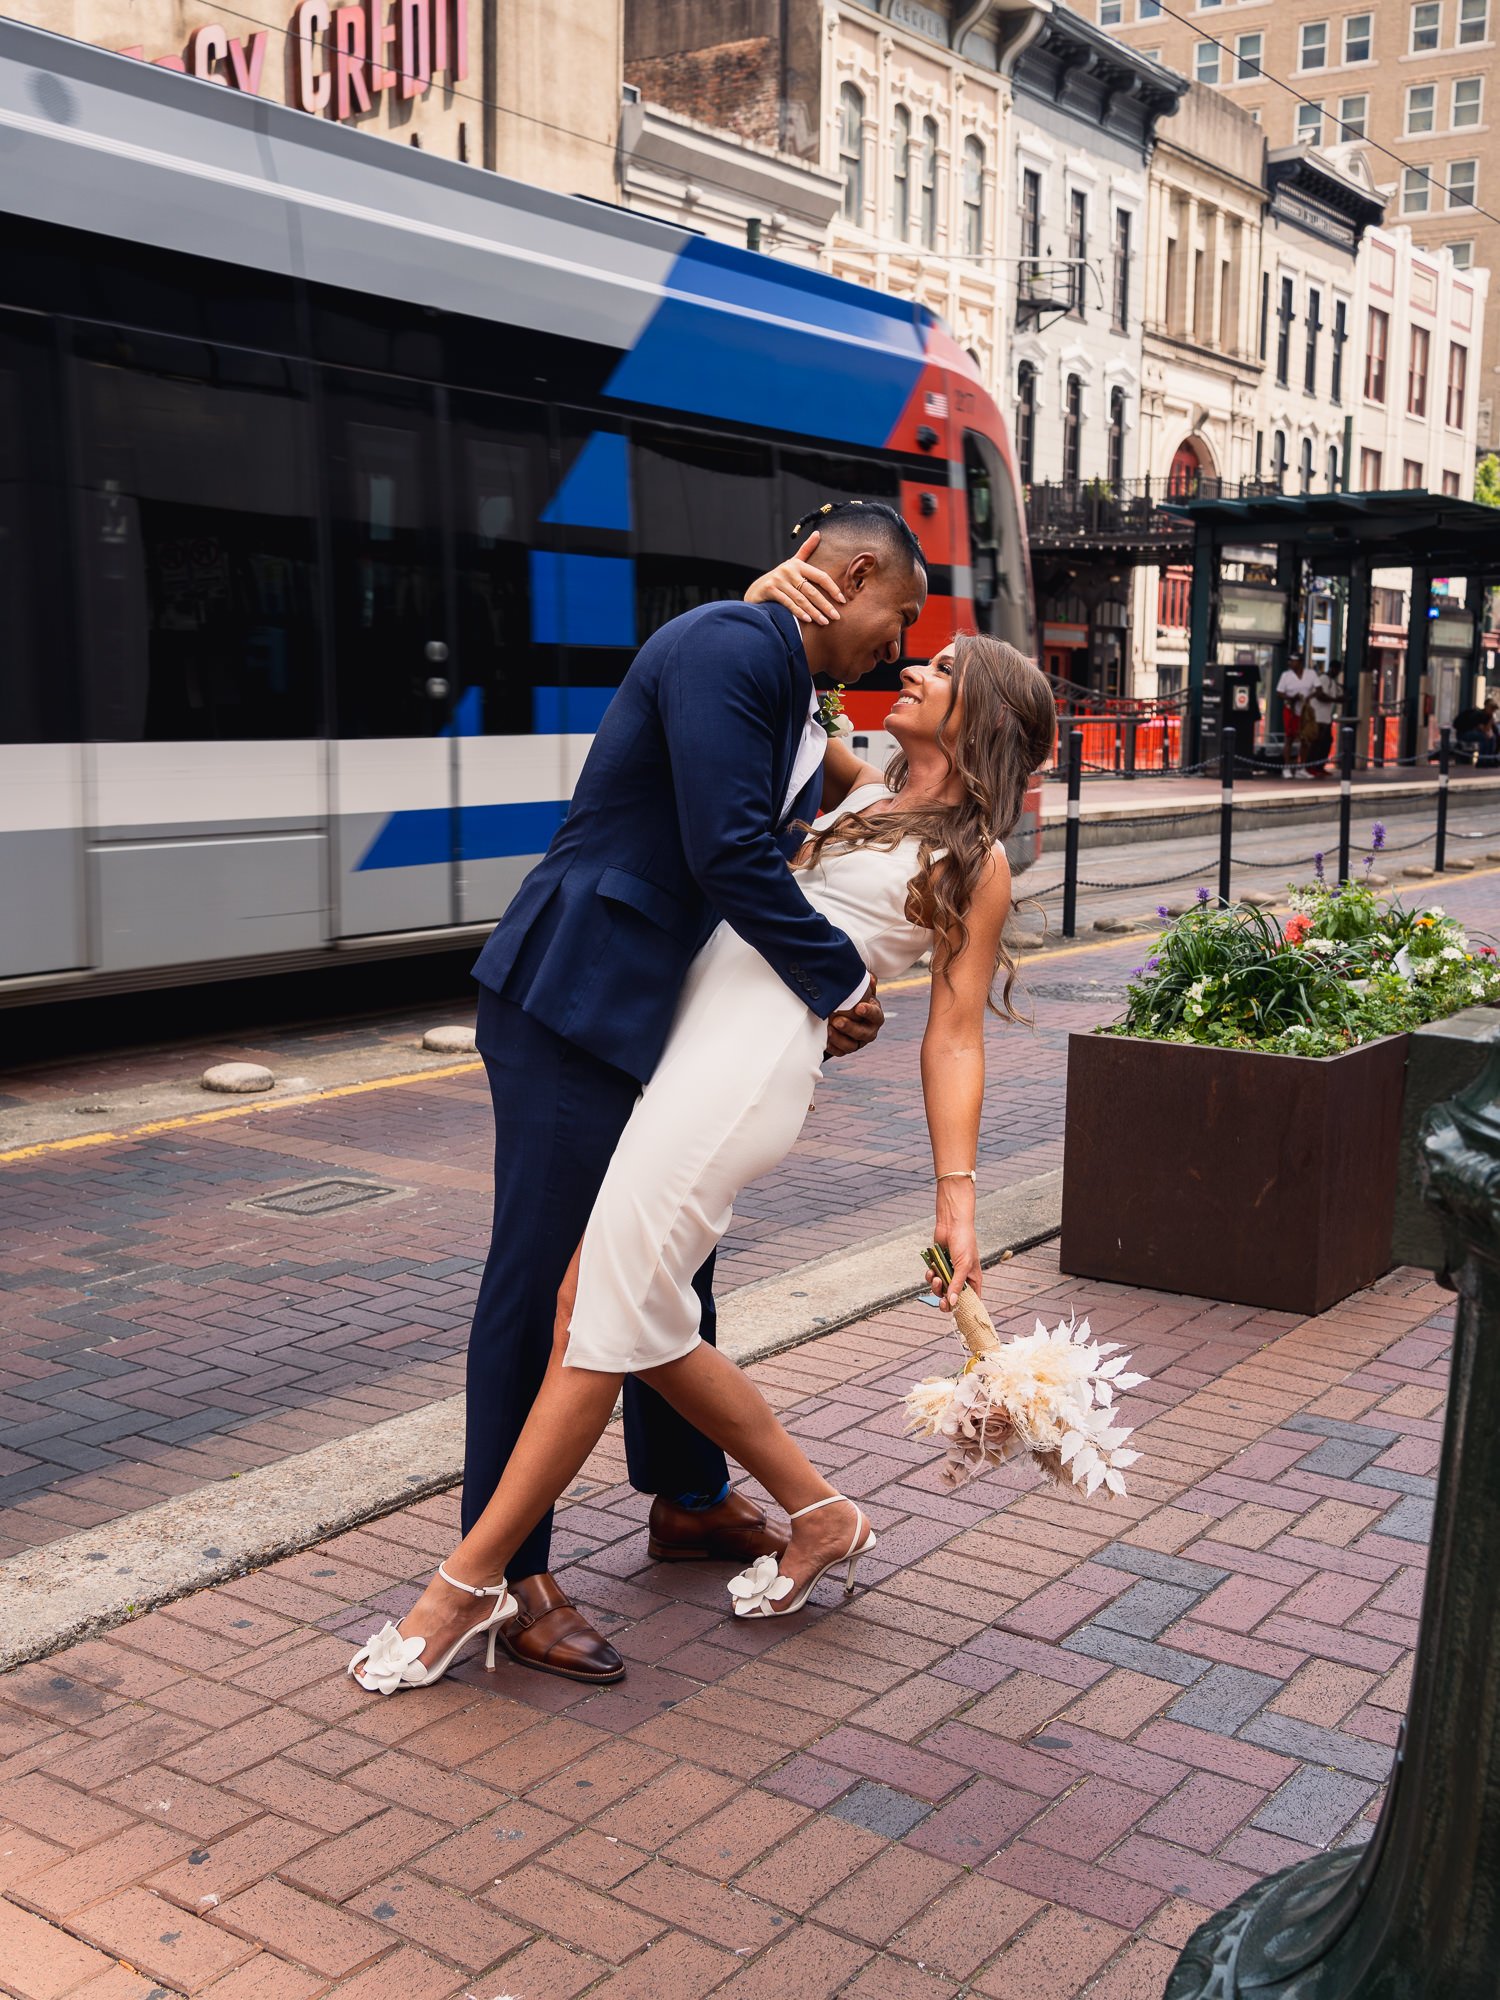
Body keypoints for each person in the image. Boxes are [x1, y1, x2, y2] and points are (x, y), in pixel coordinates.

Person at [348, 608, 1058, 1695]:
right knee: (644, 1318)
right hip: (686, 1051)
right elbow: (773, 681)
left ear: (984, 720)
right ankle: (819, 1513)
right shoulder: (864, 786)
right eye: (919, 652)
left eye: (945, 668)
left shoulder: (977, 859)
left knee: (594, 1313)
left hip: (744, 1076)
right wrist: (769, 595)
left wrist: (956, 1198)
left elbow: (955, 1036)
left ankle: (468, 1582)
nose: (914, 666)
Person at [449, 504, 921, 1687]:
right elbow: (726, 847)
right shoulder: (730, 644)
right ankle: (510, 1577)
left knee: (673, 1258)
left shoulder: (784, 675)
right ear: (856, 572)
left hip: (653, 1009)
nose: (901, 642)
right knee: (539, 1287)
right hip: (577, 998)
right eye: (900, 612)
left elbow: (856, 802)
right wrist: (835, 981)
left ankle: (688, 1495)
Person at [1276, 653, 1318, 776]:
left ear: (1300, 662)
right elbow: (1279, 692)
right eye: (1289, 661)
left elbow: (1319, 689)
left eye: (1293, 661)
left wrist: (1309, 697)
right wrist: (1291, 698)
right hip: (1291, 709)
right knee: (1289, 738)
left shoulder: (1311, 674)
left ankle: (1302, 768)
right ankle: (1286, 767)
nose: (1290, 663)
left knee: (1305, 739)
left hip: (1305, 711)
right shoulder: (1286, 675)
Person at [1305, 667, 1342, 777]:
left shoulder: (1333, 682)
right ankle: (1311, 766)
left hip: (1326, 717)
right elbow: (1320, 696)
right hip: (1318, 716)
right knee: (1316, 742)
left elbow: (1337, 694)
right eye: (1335, 670)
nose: (1336, 672)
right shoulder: (1323, 679)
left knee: (1326, 741)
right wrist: (1335, 700)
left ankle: (1319, 766)